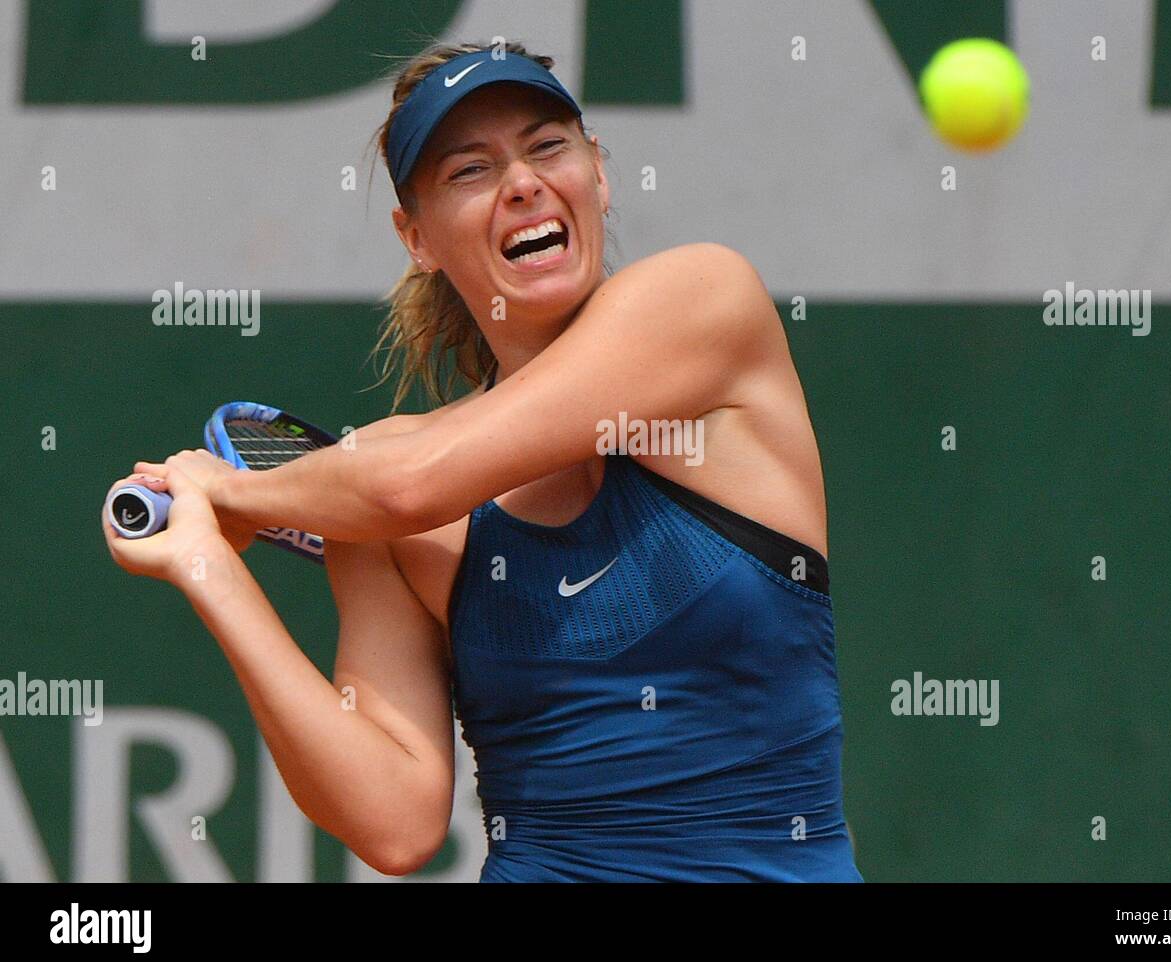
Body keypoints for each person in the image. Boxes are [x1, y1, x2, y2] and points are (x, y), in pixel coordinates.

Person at [104, 39, 864, 882]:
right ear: (417, 236)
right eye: (470, 170)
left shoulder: (705, 298)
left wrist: (244, 489)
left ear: (599, 175)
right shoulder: (361, 489)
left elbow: (407, 486)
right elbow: (392, 825)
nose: (523, 183)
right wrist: (209, 564)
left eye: (548, 146)